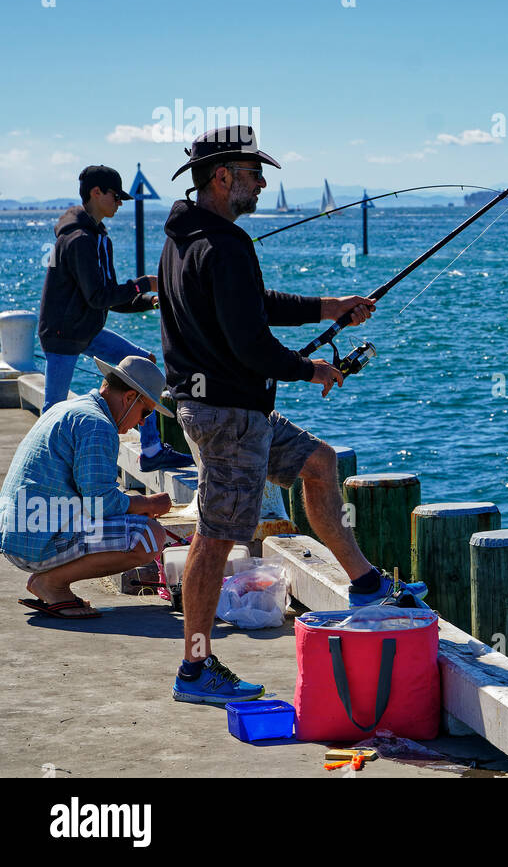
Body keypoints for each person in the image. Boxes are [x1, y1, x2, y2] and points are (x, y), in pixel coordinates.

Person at [161, 126, 426, 705]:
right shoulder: (223, 245)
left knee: (319, 462)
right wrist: (313, 371)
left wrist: (330, 308)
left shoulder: (188, 239)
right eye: (255, 172)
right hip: (228, 416)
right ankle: (195, 668)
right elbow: (250, 343)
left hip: (228, 409)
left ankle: (365, 586)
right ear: (223, 176)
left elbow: (252, 306)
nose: (261, 182)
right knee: (215, 538)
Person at [39, 164, 192, 472]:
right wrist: (143, 284)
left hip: (85, 328)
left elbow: (107, 297)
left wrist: (149, 300)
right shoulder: (80, 239)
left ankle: (150, 450)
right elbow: (100, 296)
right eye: (115, 196)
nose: (120, 203)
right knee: (52, 409)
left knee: (140, 363)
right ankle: (42, 464)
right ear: (96, 193)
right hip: (61, 334)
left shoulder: (98, 237)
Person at [0, 356, 172, 619]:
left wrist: (132, 506)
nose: (142, 422)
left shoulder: (72, 408)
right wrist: (148, 505)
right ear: (129, 398)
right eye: (146, 412)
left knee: (135, 520)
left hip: (21, 532)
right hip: (35, 540)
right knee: (149, 537)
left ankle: (50, 581)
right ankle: (51, 583)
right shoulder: (98, 426)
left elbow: (92, 494)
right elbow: (100, 503)